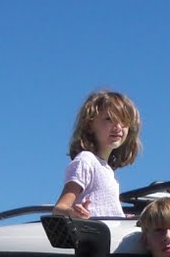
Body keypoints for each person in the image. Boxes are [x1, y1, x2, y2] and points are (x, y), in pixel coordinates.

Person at [52, 90, 141, 219]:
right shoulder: (86, 160)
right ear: (90, 125)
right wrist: (74, 213)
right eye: (109, 119)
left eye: (124, 121)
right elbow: (60, 208)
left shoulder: (106, 169)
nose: (118, 127)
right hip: (93, 236)